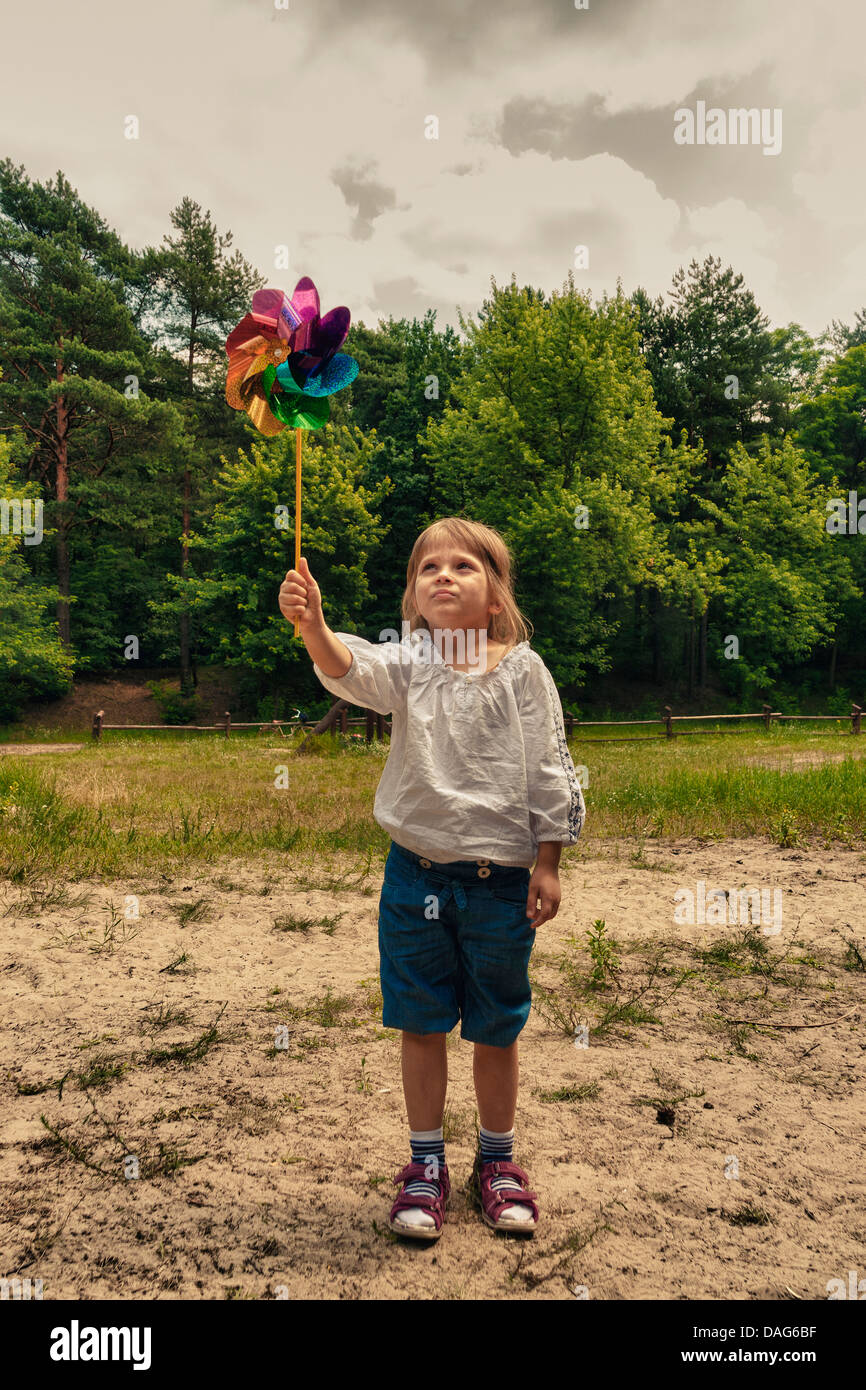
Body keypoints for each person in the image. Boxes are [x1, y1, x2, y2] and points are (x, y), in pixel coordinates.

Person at [278, 517, 586, 1241]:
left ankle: (497, 1162)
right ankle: (424, 1166)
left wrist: (549, 860)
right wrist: (314, 623)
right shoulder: (411, 662)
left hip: (501, 882)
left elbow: (549, 768)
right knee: (419, 1020)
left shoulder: (523, 671)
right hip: (413, 876)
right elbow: (351, 671)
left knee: (495, 1026)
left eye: (463, 567)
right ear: (414, 599)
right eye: (428, 569)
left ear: (495, 596)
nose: (443, 576)